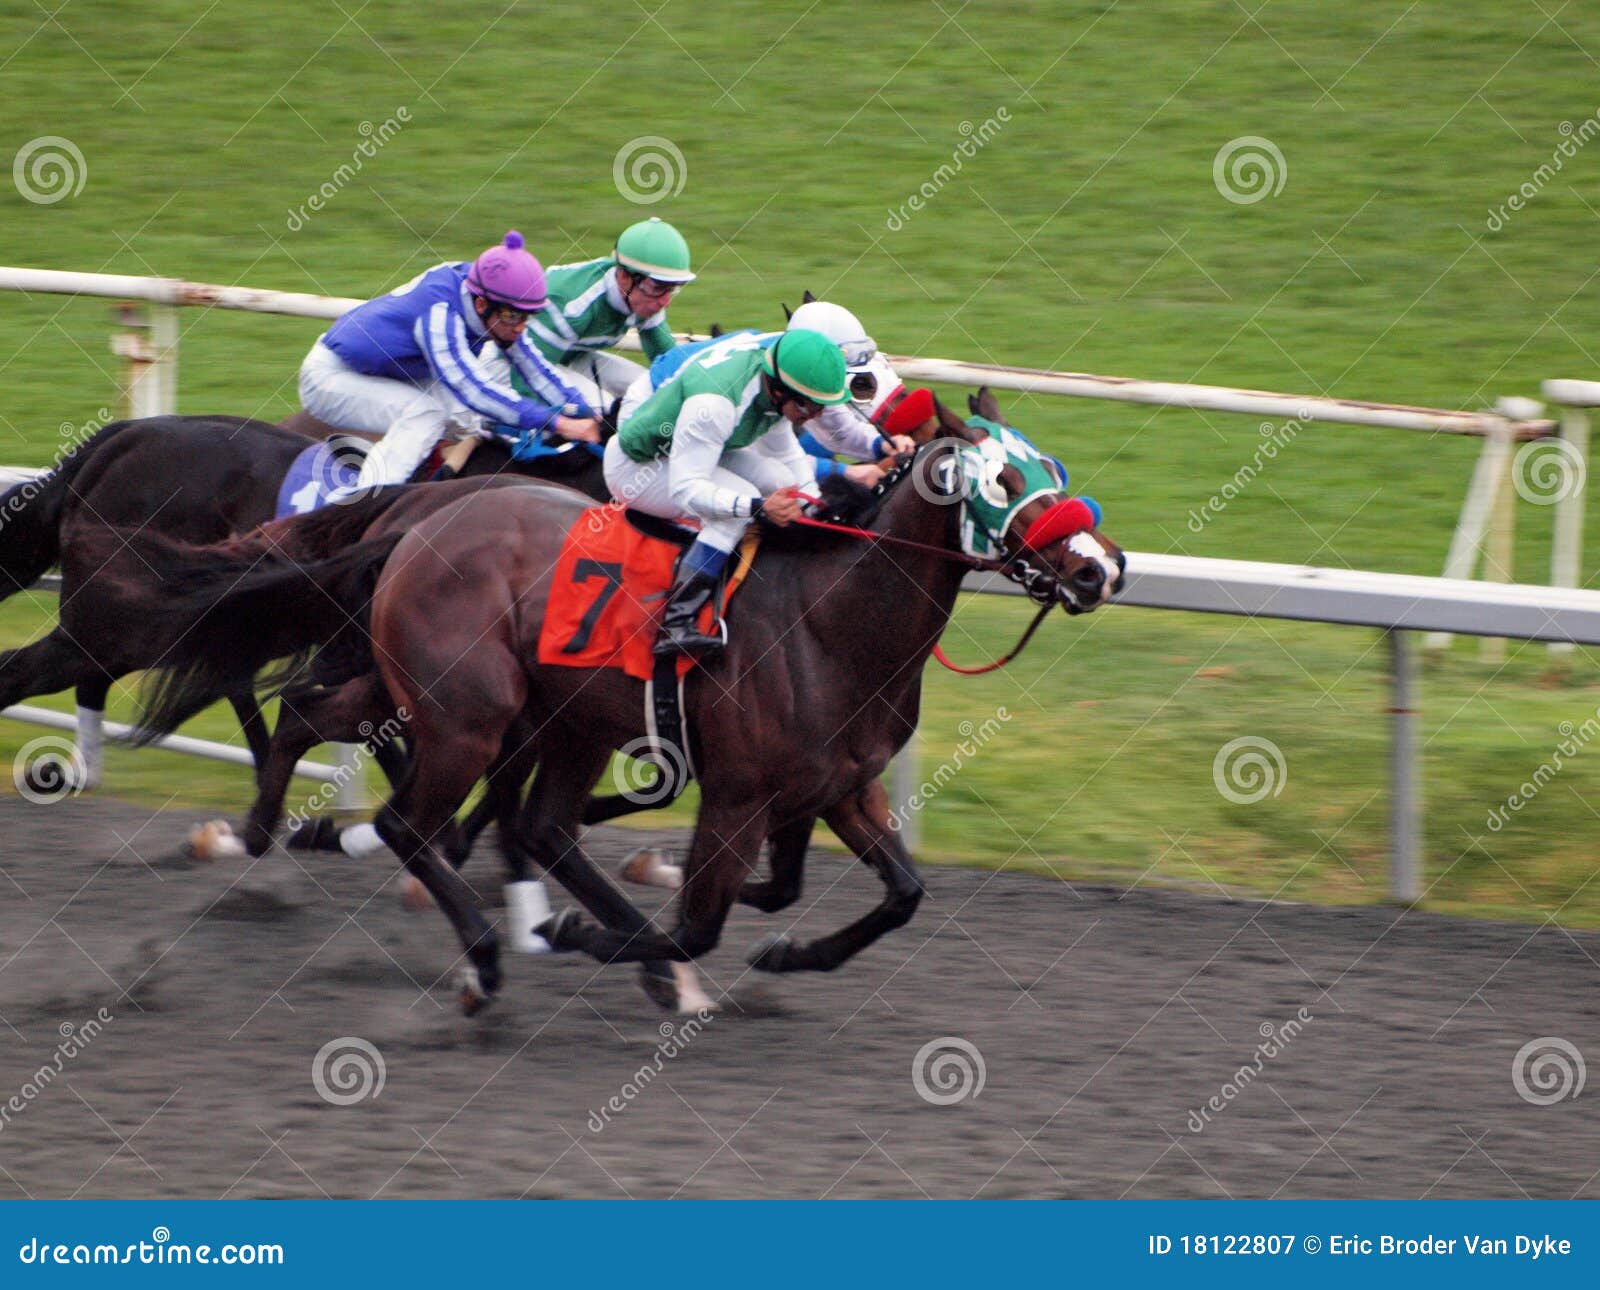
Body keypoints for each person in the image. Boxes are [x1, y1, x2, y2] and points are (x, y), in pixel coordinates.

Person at [605, 327, 851, 657]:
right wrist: (758, 507)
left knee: (780, 479)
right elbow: (686, 491)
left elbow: (786, 454)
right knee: (733, 512)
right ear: (779, 390)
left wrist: (814, 504)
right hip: (637, 467)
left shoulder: (771, 381)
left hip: (693, 448)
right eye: (811, 406)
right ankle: (676, 621)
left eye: (823, 407)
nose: (816, 416)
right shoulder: (717, 404)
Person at [299, 232, 598, 491]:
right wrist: (558, 423)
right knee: (425, 414)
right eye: (512, 316)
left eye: (526, 317)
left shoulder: (489, 297)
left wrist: (586, 411)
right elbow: (475, 391)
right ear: (482, 305)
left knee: (478, 420)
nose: (520, 326)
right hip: (331, 376)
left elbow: (534, 367)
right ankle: (363, 509)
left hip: (396, 373)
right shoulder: (440, 315)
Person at [523, 217, 695, 411]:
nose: (665, 301)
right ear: (624, 277)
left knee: (650, 391)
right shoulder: (573, 308)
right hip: (512, 367)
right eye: (657, 287)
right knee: (604, 409)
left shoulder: (644, 297)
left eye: (672, 288)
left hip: (570, 357)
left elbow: (668, 361)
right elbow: (527, 376)